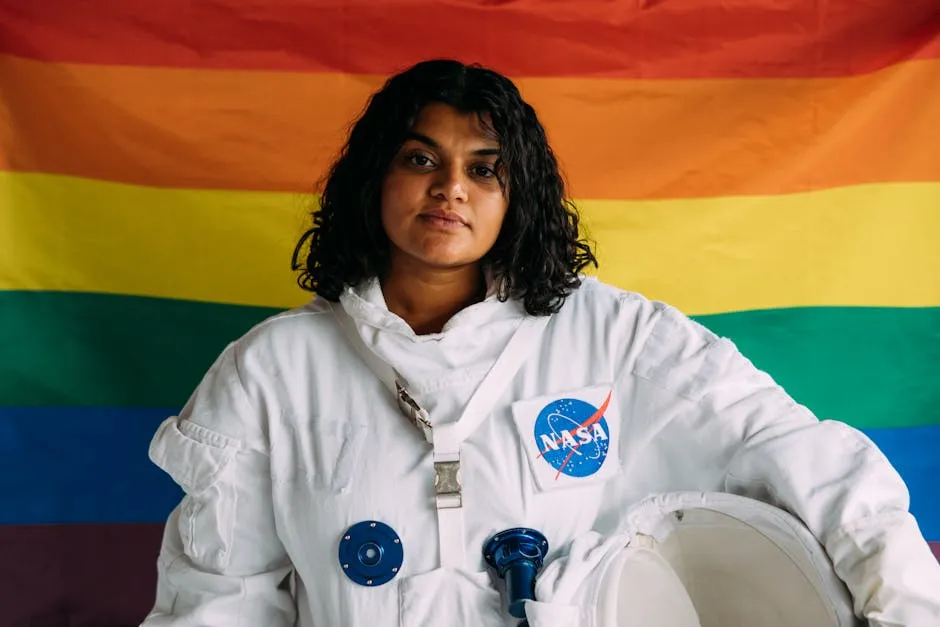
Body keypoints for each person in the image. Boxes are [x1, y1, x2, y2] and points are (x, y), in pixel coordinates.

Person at [141, 59, 940, 626]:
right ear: (372, 180)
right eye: (421, 158)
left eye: (485, 170)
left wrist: (906, 605)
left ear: (517, 197)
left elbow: (810, 462)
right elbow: (217, 600)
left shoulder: (617, 339)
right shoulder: (273, 372)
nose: (450, 186)